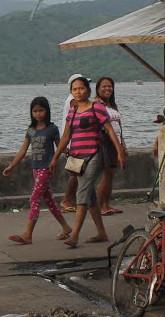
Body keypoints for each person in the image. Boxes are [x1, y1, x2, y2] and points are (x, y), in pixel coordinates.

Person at [49, 75, 125, 249]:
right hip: (76, 158)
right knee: (90, 196)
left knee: (82, 193)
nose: (78, 92)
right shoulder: (72, 112)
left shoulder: (96, 108)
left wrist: (119, 151)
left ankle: (74, 235)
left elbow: (110, 130)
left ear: (88, 90)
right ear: (71, 92)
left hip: (94, 156)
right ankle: (101, 233)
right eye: (75, 89)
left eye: (81, 88)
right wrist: (55, 157)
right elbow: (66, 136)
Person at [1, 96, 69, 245]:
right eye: (35, 111)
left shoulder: (52, 129)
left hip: (47, 169)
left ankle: (28, 234)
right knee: (49, 200)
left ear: (47, 111)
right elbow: (23, 150)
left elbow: (60, 146)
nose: (38, 114)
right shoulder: (31, 130)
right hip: (35, 169)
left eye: (41, 110)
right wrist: (11, 166)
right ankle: (66, 227)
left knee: (35, 198)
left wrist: (70, 152)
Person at [94, 76, 125, 216]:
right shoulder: (97, 104)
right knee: (106, 175)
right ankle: (100, 206)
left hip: (116, 142)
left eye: (110, 86)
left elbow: (119, 126)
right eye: (104, 86)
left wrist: (123, 145)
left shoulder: (113, 106)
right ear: (98, 89)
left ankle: (107, 204)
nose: (107, 89)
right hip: (105, 141)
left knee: (111, 175)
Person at [61, 73, 90, 212]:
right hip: (73, 141)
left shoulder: (70, 98)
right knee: (75, 171)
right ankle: (67, 199)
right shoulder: (73, 100)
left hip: (73, 141)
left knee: (77, 171)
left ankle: (71, 199)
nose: (80, 91)